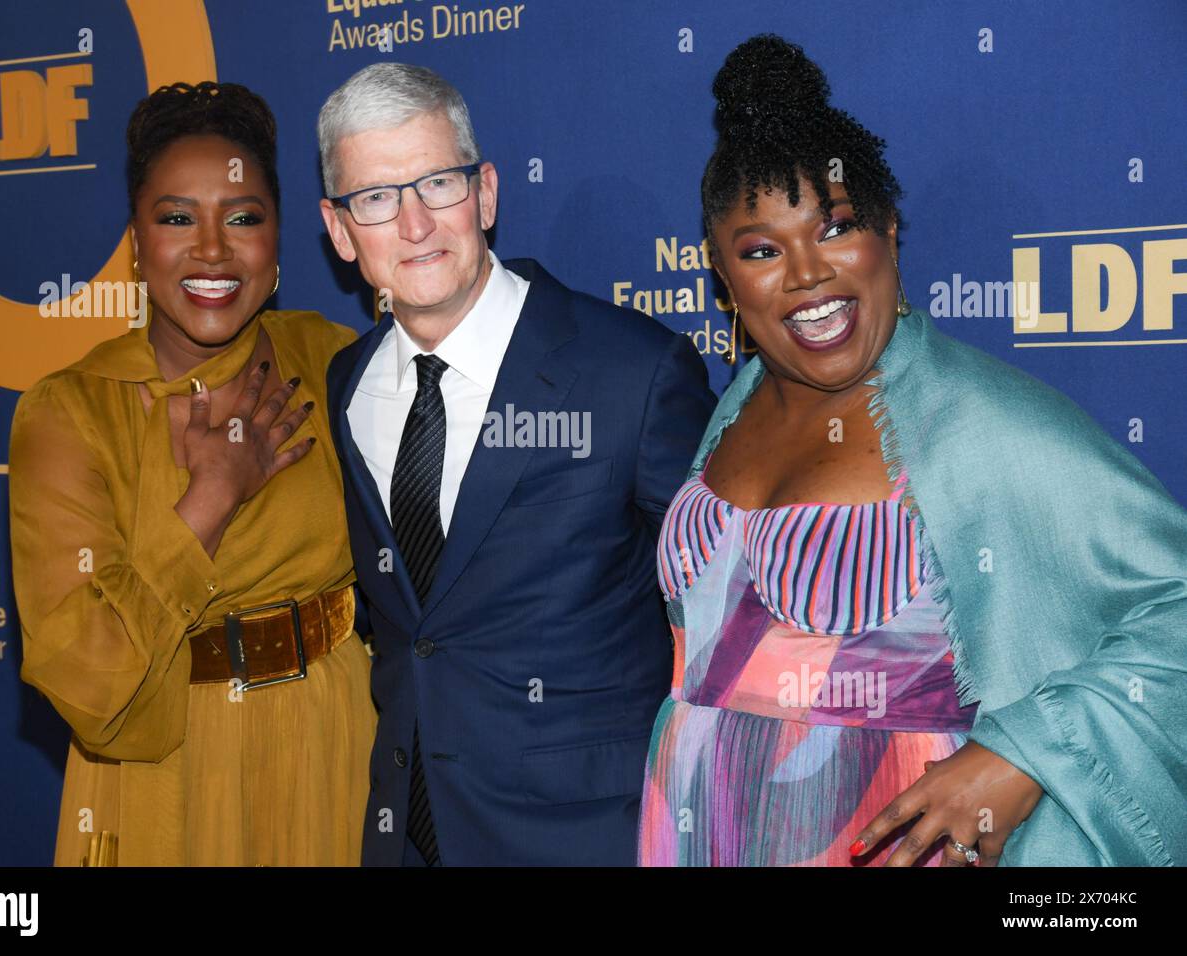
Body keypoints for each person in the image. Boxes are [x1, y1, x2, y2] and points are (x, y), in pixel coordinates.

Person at [639, 34, 1187, 867]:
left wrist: (1025, 753)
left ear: (891, 234)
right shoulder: (734, 409)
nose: (807, 273)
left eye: (837, 228)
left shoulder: (984, 425)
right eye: (760, 250)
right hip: (694, 831)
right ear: (720, 278)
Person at [317, 63, 716, 866]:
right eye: (377, 199)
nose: (415, 224)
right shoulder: (349, 385)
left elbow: (730, 611)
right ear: (339, 231)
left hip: (586, 839)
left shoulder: (631, 373)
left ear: (487, 193)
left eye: (439, 184)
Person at [9, 81, 376, 866]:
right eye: (177, 218)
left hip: (334, 744)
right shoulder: (70, 414)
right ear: (137, 243)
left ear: (279, 241)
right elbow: (87, 677)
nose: (212, 250)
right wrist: (211, 497)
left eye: (243, 218)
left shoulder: (332, 358)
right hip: (164, 775)